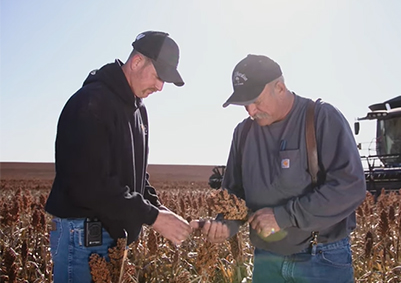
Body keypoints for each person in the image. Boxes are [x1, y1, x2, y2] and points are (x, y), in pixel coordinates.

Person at [193, 54, 366, 282]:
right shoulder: (243, 133)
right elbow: (234, 195)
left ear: (280, 87)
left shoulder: (321, 117)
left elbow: (349, 187)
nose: (251, 110)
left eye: (256, 100)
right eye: (245, 104)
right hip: (267, 261)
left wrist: (283, 216)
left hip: (321, 259)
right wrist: (225, 225)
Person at [45, 31, 192, 282]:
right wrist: (152, 217)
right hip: (83, 239)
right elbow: (88, 184)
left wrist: (160, 210)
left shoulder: (138, 111)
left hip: (112, 239)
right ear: (136, 62)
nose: (160, 87)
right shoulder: (91, 103)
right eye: (159, 76)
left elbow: (136, 177)